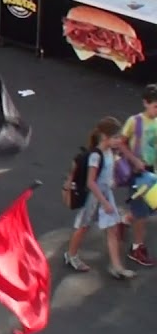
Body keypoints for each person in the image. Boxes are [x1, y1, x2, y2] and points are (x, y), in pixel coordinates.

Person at [63, 117, 137, 279]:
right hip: (94, 198)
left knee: (113, 229)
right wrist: (104, 203)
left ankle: (117, 266)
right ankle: (71, 255)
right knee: (83, 227)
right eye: (116, 137)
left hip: (105, 195)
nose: (119, 140)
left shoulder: (110, 152)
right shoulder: (95, 156)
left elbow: (106, 176)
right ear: (105, 137)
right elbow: (90, 182)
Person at [118, 84, 157, 267]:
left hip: (151, 172)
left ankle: (124, 220)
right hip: (137, 173)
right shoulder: (135, 121)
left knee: (151, 207)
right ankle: (137, 248)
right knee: (142, 212)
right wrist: (135, 161)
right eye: (155, 106)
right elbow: (121, 144)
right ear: (145, 103)